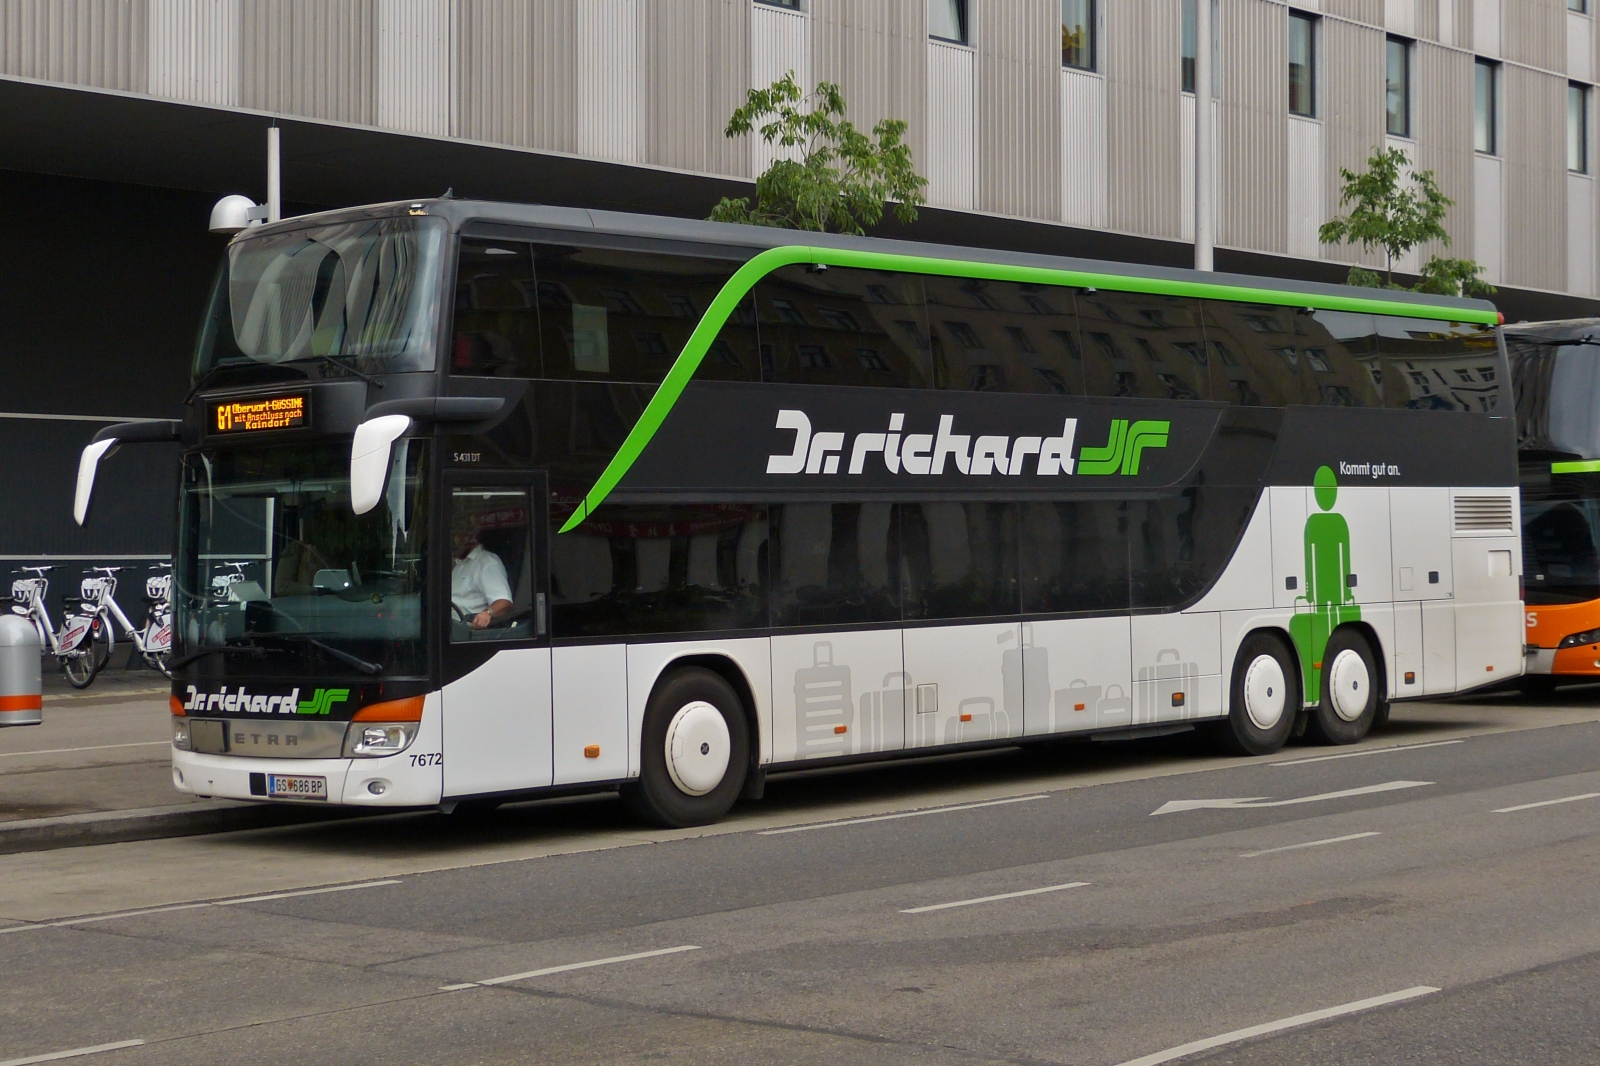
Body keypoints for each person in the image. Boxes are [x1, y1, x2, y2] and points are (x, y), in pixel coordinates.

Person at [452, 528, 513, 630]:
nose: (456, 539)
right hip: (448, 625)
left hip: (465, 631)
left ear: (472, 537)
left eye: (460, 535)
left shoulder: (487, 562)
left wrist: (487, 613)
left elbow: (503, 602)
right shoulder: (460, 563)